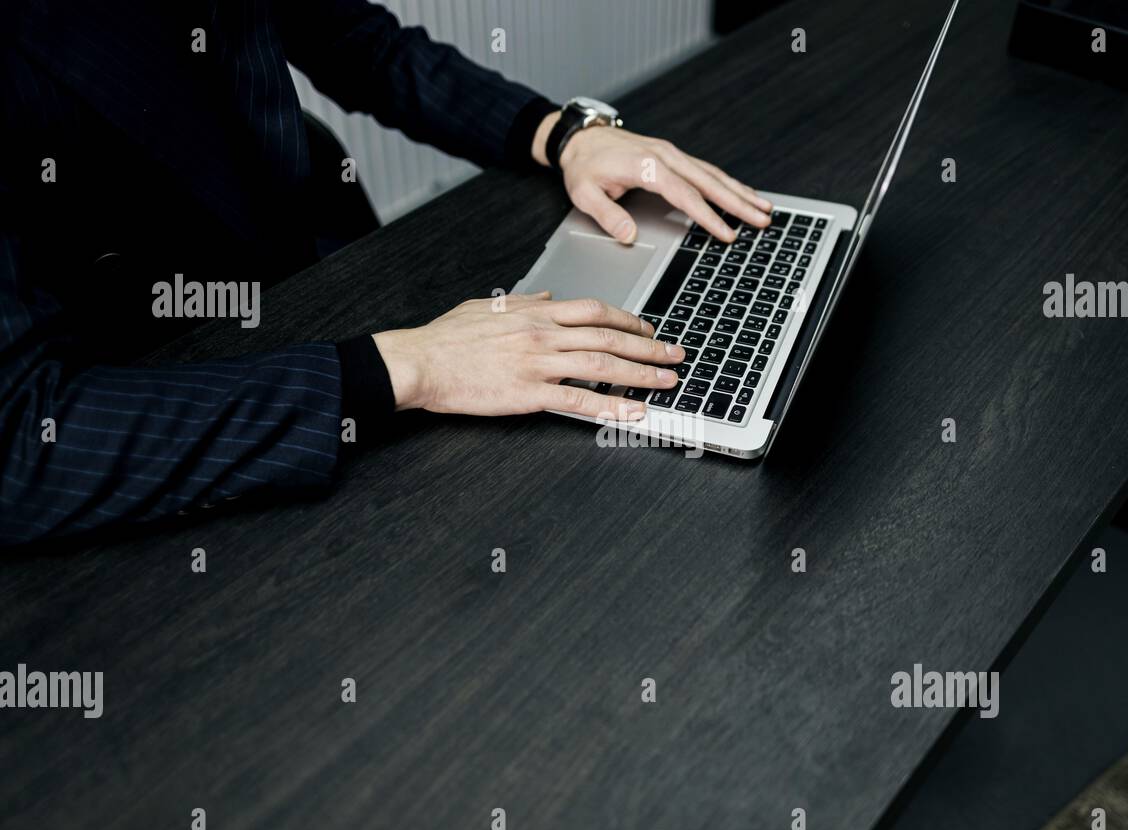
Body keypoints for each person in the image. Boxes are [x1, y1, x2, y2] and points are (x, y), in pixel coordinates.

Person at [0, 0, 771, 546]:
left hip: (319, 281)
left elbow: (356, 41)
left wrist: (559, 133)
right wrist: (408, 366)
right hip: (164, 427)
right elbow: (21, 444)